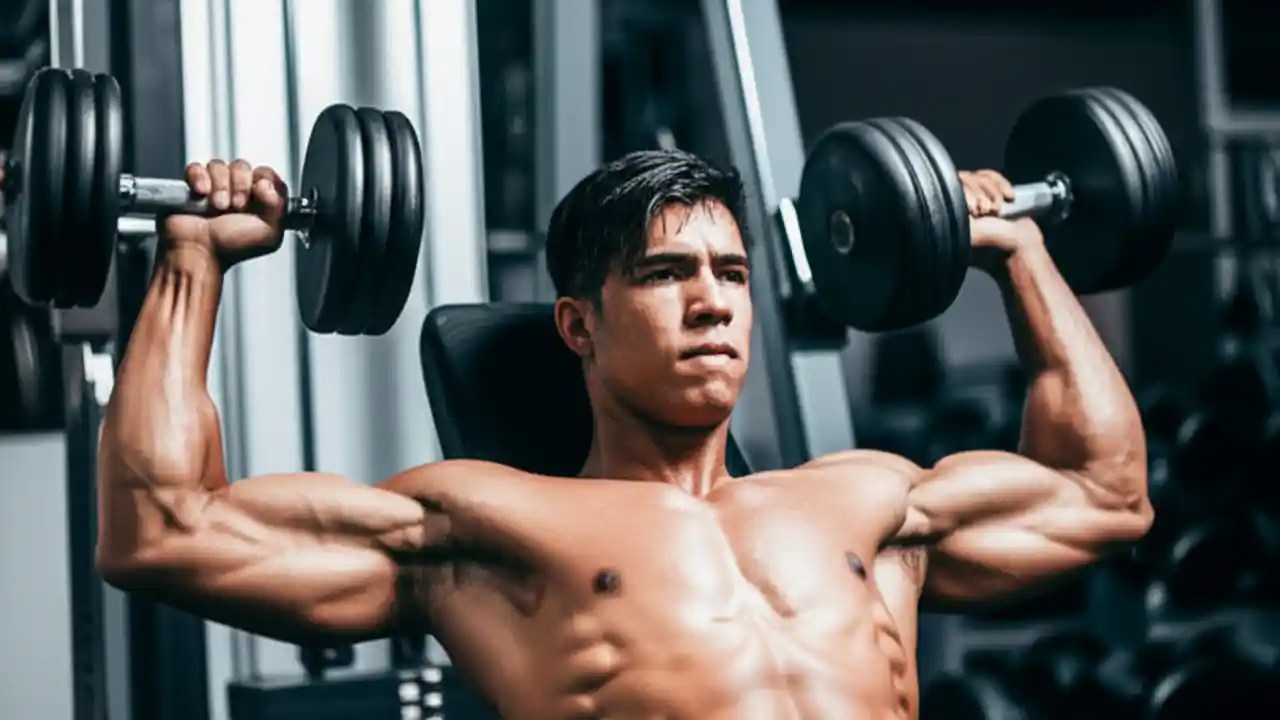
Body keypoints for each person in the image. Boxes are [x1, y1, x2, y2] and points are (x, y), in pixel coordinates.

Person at [96, 150, 1152, 719]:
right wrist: (193, 261)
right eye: (665, 274)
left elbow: (1103, 494)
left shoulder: (869, 501)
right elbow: (165, 531)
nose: (713, 304)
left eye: (731, 276)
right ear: (577, 325)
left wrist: (1017, 252)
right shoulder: (492, 526)